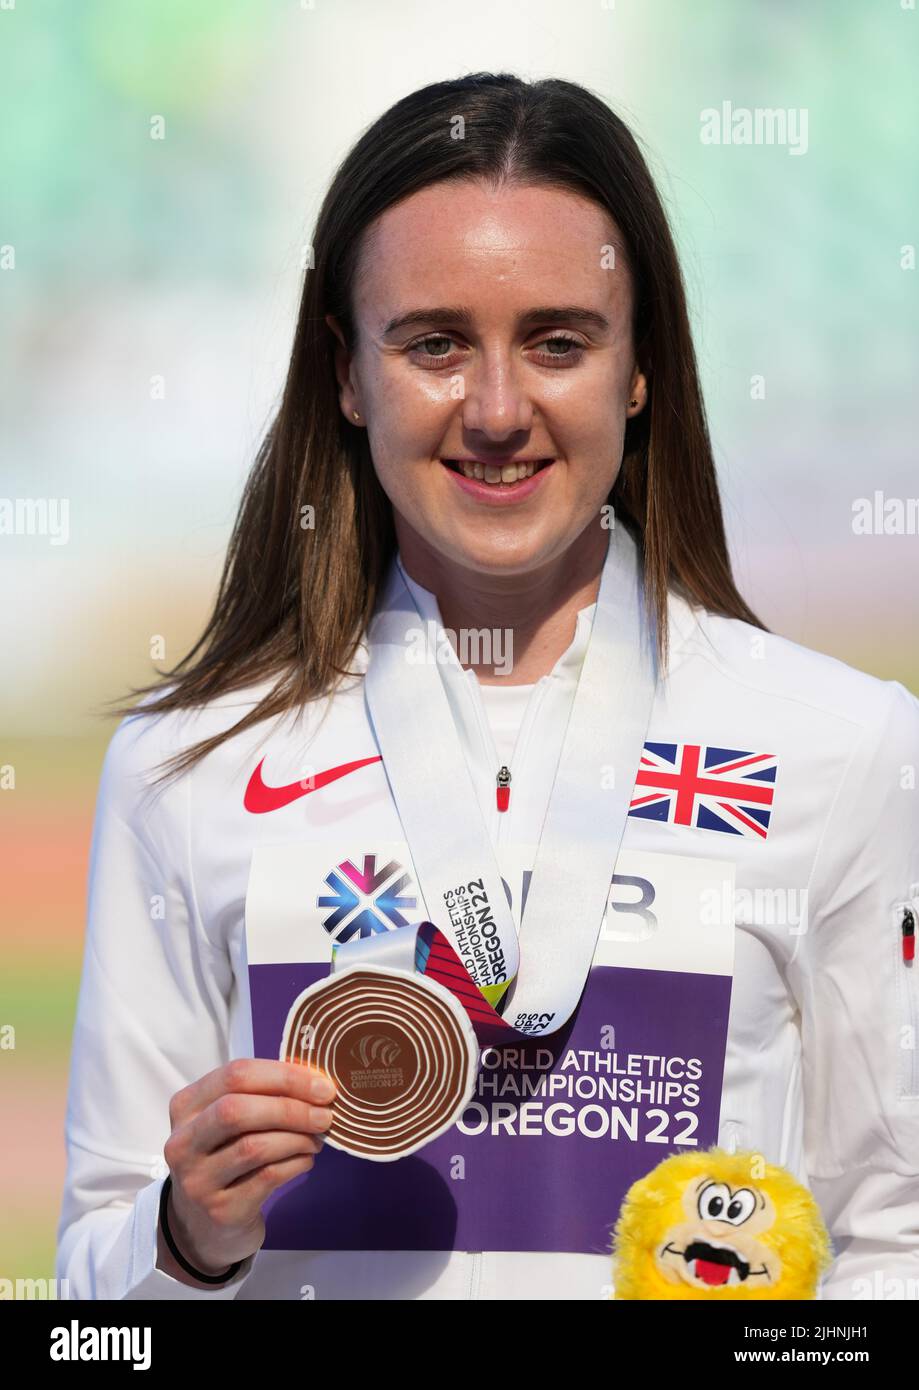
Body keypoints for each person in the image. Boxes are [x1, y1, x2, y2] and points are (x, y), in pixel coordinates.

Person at [57, 72, 919, 1301]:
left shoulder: (845, 745)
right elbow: (93, 1311)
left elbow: (892, 1247)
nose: (499, 410)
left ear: (640, 370)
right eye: (434, 344)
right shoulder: (183, 762)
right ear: (348, 375)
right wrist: (186, 1237)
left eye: (558, 341)